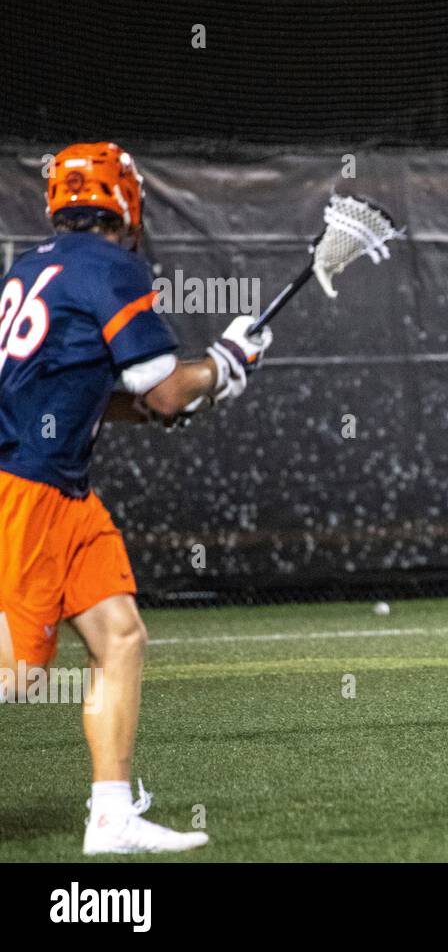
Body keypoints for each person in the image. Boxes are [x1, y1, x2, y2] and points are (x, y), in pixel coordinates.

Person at [0, 142, 272, 852]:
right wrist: (225, 365)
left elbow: (99, 392)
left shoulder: (32, 267)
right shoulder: (113, 267)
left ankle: (112, 817)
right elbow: (163, 389)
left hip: (59, 485)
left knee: (120, 636)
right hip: (29, 484)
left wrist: (183, 391)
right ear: (125, 200)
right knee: (17, 674)